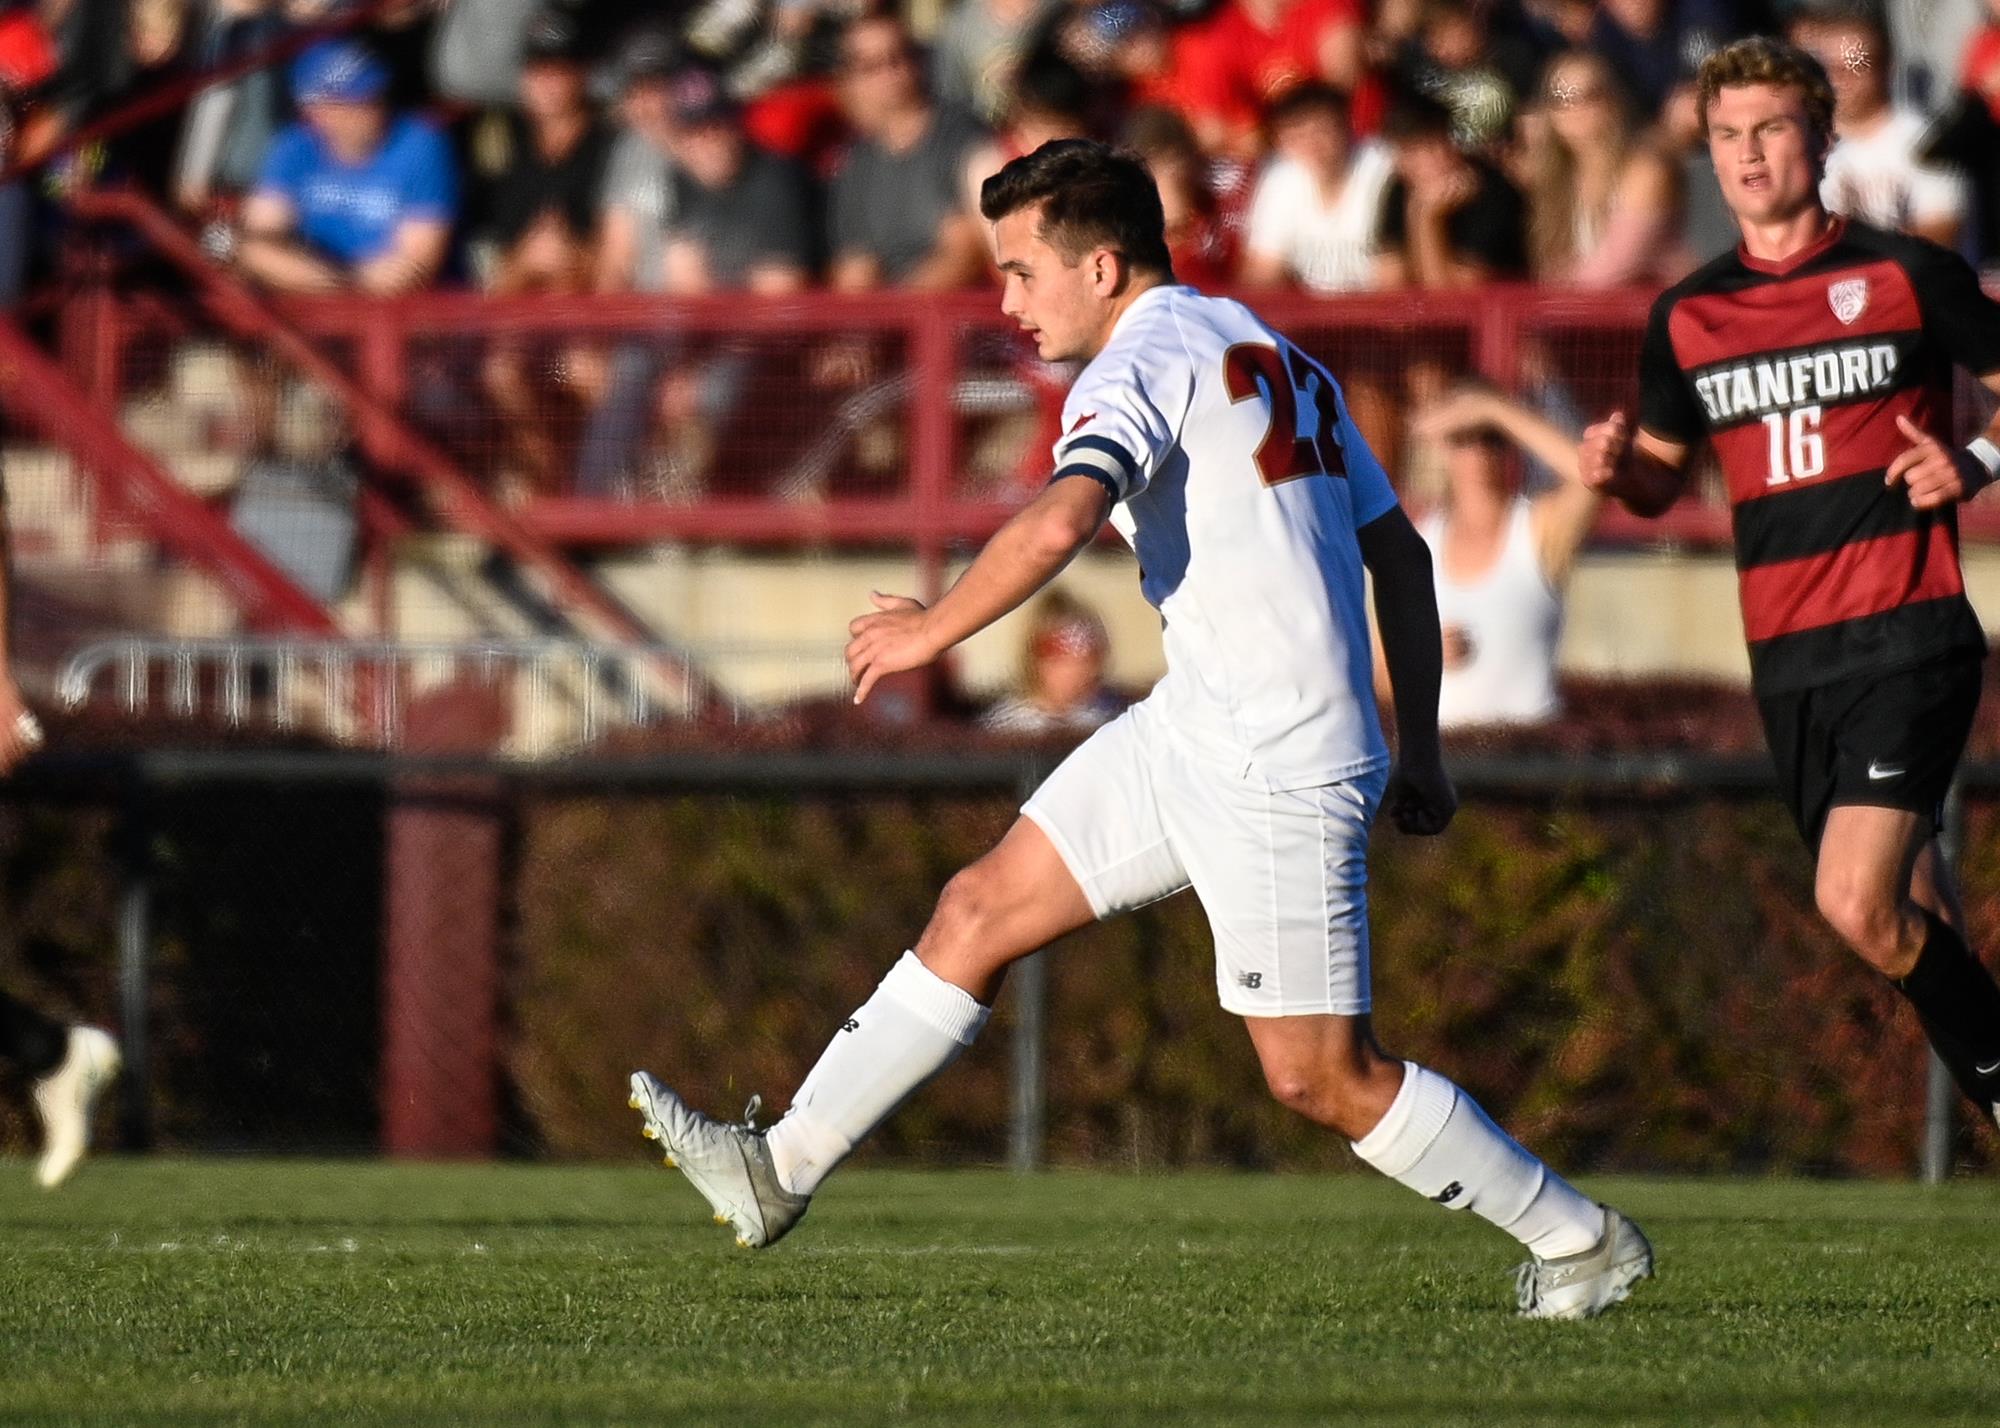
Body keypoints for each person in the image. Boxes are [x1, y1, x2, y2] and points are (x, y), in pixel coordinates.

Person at [631, 138, 1653, 1321]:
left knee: (1319, 1078)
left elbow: (1059, 520)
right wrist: (1417, 749)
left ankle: (1578, 1240)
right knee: (977, 909)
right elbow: (1402, 560)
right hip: (1196, 724)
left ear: (1102, 269)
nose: (1006, 303)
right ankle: (779, 1168)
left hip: (1278, 756)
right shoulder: (1271, 351)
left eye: (1021, 272)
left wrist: (931, 629)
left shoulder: (1141, 361)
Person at [1579, 37, 2000, 1132]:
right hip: (1786, 656)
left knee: (1853, 902)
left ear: (1820, 136)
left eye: (1770, 127)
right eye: (1726, 134)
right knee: (1909, 917)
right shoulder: (1687, 315)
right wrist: (1616, 469)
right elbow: (1658, 479)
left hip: (1906, 631)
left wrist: (1974, 461)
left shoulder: (1903, 273)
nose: (1748, 153)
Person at [1393, 386, 1601, 729]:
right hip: (1447, 753)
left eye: (1491, 438)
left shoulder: (1535, 530)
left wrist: (1495, 409)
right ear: (1443, 448)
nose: (1478, 451)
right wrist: (1423, 657)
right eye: (1463, 438)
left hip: (1530, 749)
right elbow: (1380, 675)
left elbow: (1591, 476)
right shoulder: (1418, 543)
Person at [235, 39, 458, 296]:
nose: (371, 111)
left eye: (375, 96)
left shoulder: (422, 143)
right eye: (352, 101)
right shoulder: (295, 146)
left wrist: (300, 271)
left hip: (396, 311)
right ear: (315, 110)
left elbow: (414, 270)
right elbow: (254, 245)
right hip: (321, 295)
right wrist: (348, 277)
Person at [826, 13, 994, 293]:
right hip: (892, 309)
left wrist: (896, 310)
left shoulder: (959, 135)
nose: (890, 72)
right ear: (850, 79)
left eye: (899, 56)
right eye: (871, 66)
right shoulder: (858, 162)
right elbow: (855, 267)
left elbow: (966, 251)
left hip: (953, 308)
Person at [1790, 7, 1967, 249]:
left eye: (1856, 64)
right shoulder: (1801, 144)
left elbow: (1940, 232)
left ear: (1887, 66)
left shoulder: (1926, 141)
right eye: (1828, 66)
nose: (1840, 77)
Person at [1519, 50, 1682, 287]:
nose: (1573, 107)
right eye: (1560, 96)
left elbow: (1614, 271)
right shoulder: (1559, 178)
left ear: (1612, 101)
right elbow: (1548, 267)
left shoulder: (1646, 171)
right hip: (1582, 306)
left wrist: (1558, 287)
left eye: (1588, 95)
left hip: (1648, 303)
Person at [1239, 81, 1394, 294]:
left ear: (1347, 127)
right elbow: (1263, 272)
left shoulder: (1381, 170)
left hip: (1375, 309)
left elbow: (1393, 280)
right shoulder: (1282, 179)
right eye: (1298, 136)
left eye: (1321, 131)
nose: (1312, 146)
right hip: (1309, 310)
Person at [1374, 93, 1529, 288]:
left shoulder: (1493, 192)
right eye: (1413, 152)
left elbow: (1451, 295)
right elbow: (1389, 281)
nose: (1433, 160)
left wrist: (1428, 220)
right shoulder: (1399, 188)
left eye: (1435, 144)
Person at [978, 589, 1125, 734]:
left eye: (1087, 660)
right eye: (1062, 660)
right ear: (1036, 661)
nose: (1079, 672)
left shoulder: (1105, 723)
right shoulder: (1005, 727)